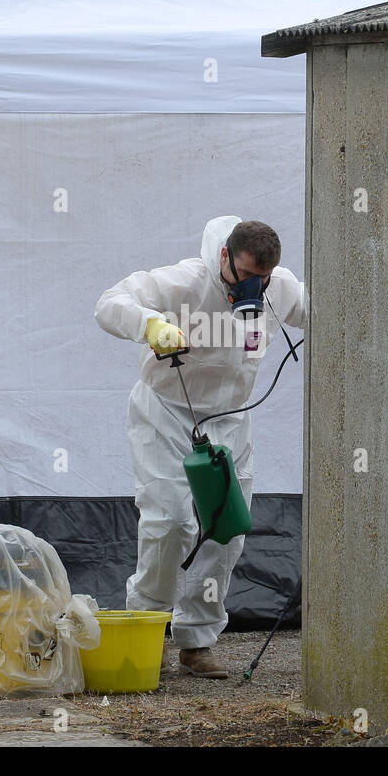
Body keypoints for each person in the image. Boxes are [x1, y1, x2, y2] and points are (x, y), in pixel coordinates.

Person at [94, 215, 306, 678]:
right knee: (169, 522)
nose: (254, 286)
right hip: (166, 411)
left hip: (230, 418)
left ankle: (196, 641)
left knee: (225, 531)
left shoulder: (279, 288)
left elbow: (324, 311)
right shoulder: (185, 281)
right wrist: (149, 324)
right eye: (246, 275)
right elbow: (110, 303)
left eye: (263, 279)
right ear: (225, 257)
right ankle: (145, 627)